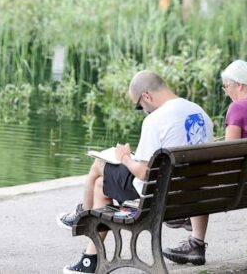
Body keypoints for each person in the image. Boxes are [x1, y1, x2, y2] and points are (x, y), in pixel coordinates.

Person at [58, 71, 214, 274]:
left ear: (147, 96)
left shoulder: (155, 120)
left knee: (99, 167)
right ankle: (88, 257)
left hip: (159, 199)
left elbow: (143, 173)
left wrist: (124, 157)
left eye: (139, 105)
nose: (142, 110)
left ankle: (84, 221)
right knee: (100, 185)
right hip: (193, 196)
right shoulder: (201, 113)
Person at [162, 60, 247, 266]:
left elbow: (229, 154)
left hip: (243, 186)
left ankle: (193, 236)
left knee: (195, 175)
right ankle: (189, 219)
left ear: (240, 85)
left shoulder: (238, 107)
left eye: (227, 86)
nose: (226, 92)